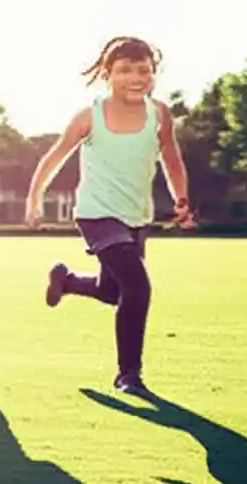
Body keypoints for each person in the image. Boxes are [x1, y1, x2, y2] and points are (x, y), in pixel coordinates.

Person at [25, 36, 194, 395]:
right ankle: (128, 374)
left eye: (144, 70)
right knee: (138, 286)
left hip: (136, 216)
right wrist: (34, 198)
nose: (136, 77)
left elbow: (171, 158)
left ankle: (67, 280)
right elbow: (55, 156)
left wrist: (181, 200)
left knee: (112, 292)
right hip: (97, 213)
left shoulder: (159, 114)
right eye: (125, 70)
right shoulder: (91, 116)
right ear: (107, 73)